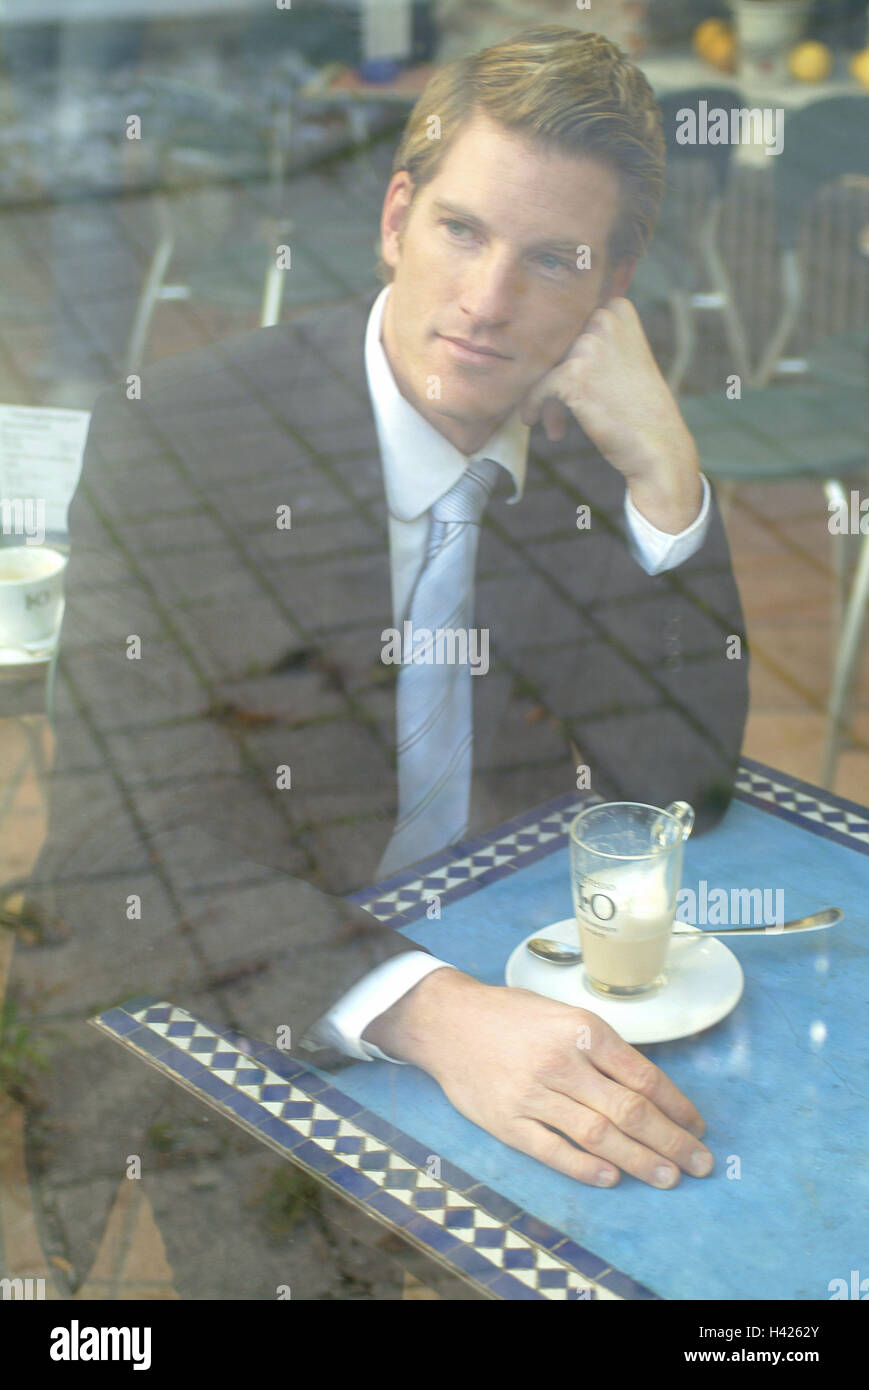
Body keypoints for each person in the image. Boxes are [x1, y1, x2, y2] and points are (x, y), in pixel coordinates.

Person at [25, 26, 748, 1199]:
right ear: (395, 218)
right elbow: (130, 839)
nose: (486, 301)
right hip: (211, 980)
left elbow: (679, 788)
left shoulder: (591, 444)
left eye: (552, 259)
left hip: (489, 944)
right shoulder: (183, 440)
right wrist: (432, 1015)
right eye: (461, 230)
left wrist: (667, 478)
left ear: (609, 290)